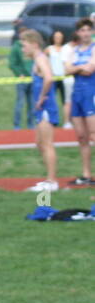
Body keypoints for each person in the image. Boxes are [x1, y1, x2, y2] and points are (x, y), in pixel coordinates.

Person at [20, 29, 59, 192]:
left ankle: (52, 181)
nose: (23, 49)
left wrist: (42, 97)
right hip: (41, 107)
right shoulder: (37, 60)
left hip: (45, 107)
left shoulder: (41, 59)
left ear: (34, 44)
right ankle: (49, 179)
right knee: (40, 143)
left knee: (47, 143)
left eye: (25, 45)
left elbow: (49, 78)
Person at [63, 18, 95, 185]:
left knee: (93, 134)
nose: (85, 33)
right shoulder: (73, 50)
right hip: (77, 95)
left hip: (91, 94)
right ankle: (86, 174)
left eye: (87, 30)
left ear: (92, 31)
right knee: (82, 137)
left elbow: (90, 70)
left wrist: (76, 68)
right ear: (77, 33)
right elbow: (66, 69)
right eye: (82, 30)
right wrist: (78, 68)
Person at [9, 26, 35, 129]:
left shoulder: (32, 47)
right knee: (20, 102)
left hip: (32, 79)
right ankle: (17, 125)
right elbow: (12, 64)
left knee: (32, 103)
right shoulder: (16, 48)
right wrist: (19, 73)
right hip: (21, 80)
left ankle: (31, 124)